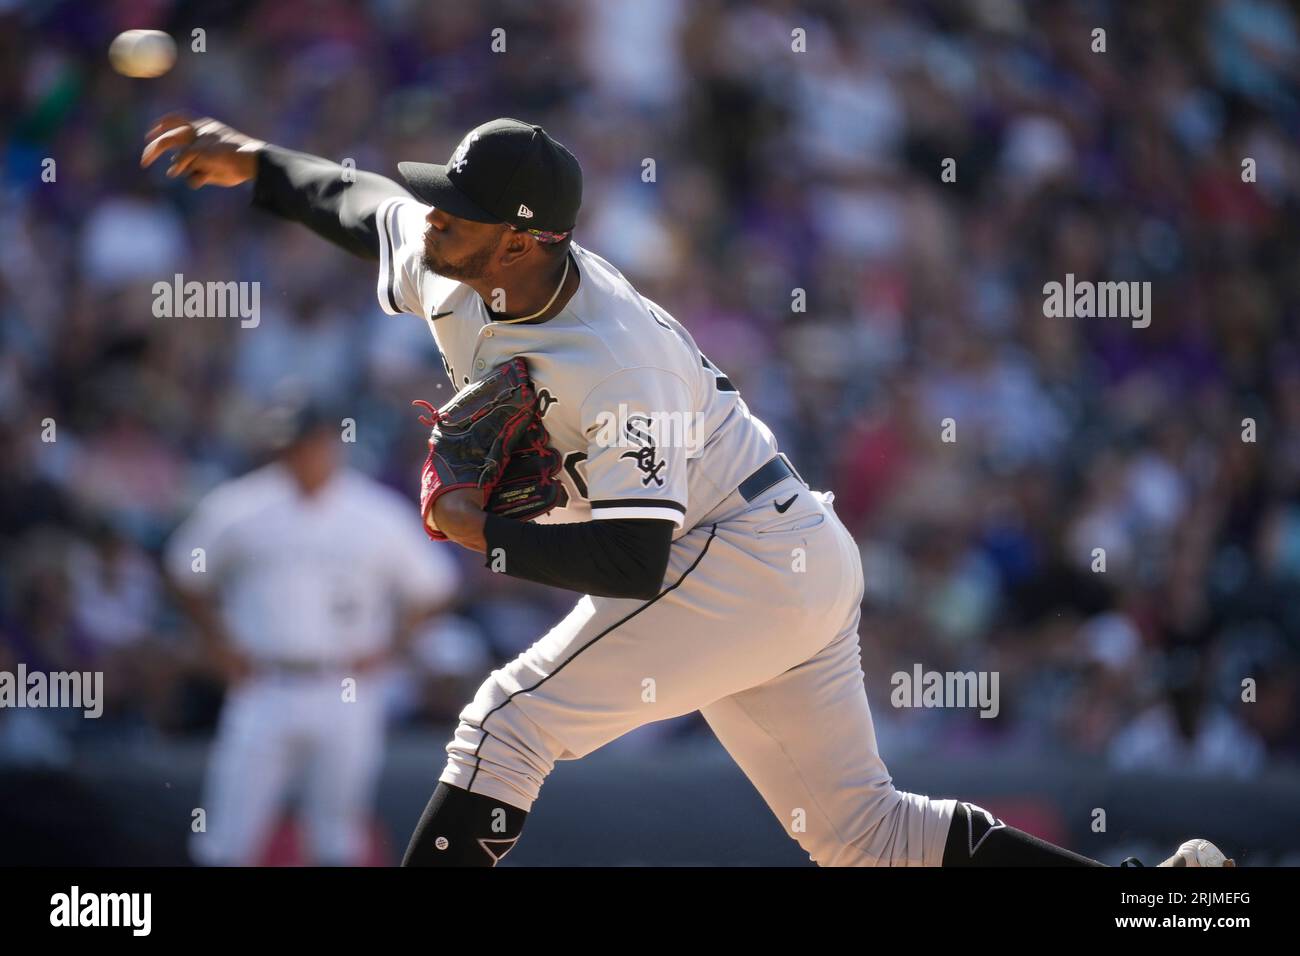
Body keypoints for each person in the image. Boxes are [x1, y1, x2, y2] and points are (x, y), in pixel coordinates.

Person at [143, 113, 1232, 868]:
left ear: (526, 237)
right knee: (861, 833)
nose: (434, 220)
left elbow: (634, 563)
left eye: (461, 212)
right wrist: (257, 161)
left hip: (736, 550)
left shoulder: (616, 360)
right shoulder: (453, 257)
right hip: (781, 549)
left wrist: (487, 534)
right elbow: (360, 200)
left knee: (506, 724)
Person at [164, 401, 457, 865]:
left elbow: (433, 585)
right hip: (264, 681)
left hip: (346, 686)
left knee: (336, 836)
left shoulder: (372, 511)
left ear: (332, 443)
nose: (304, 453)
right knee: (228, 836)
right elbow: (185, 571)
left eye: (312, 442)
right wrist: (217, 645)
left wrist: (393, 647)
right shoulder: (243, 506)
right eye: (293, 443)